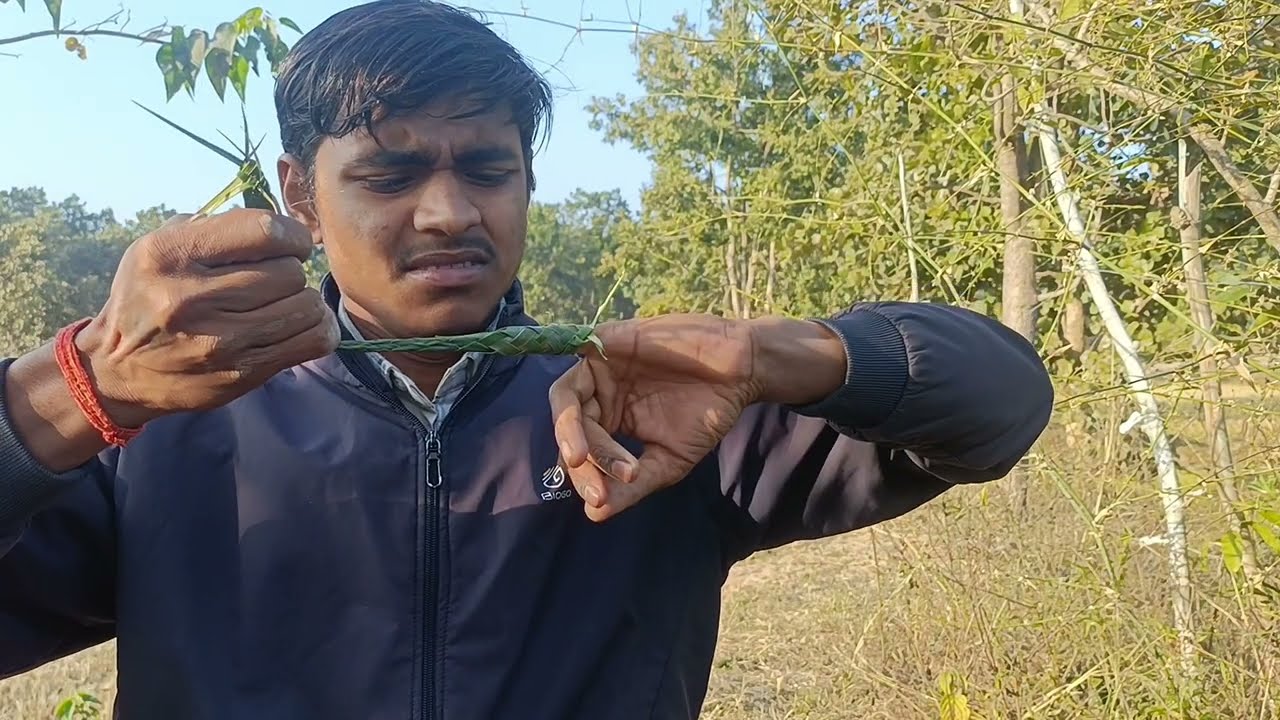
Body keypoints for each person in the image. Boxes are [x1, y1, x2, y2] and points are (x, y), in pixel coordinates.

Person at [0, 1, 1053, 718]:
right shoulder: (160, 434)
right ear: (299, 193)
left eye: (489, 169)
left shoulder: (658, 409)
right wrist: (68, 393)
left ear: (528, 184)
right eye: (389, 173)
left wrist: (783, 353)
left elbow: (1001, 402)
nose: (449, 211)